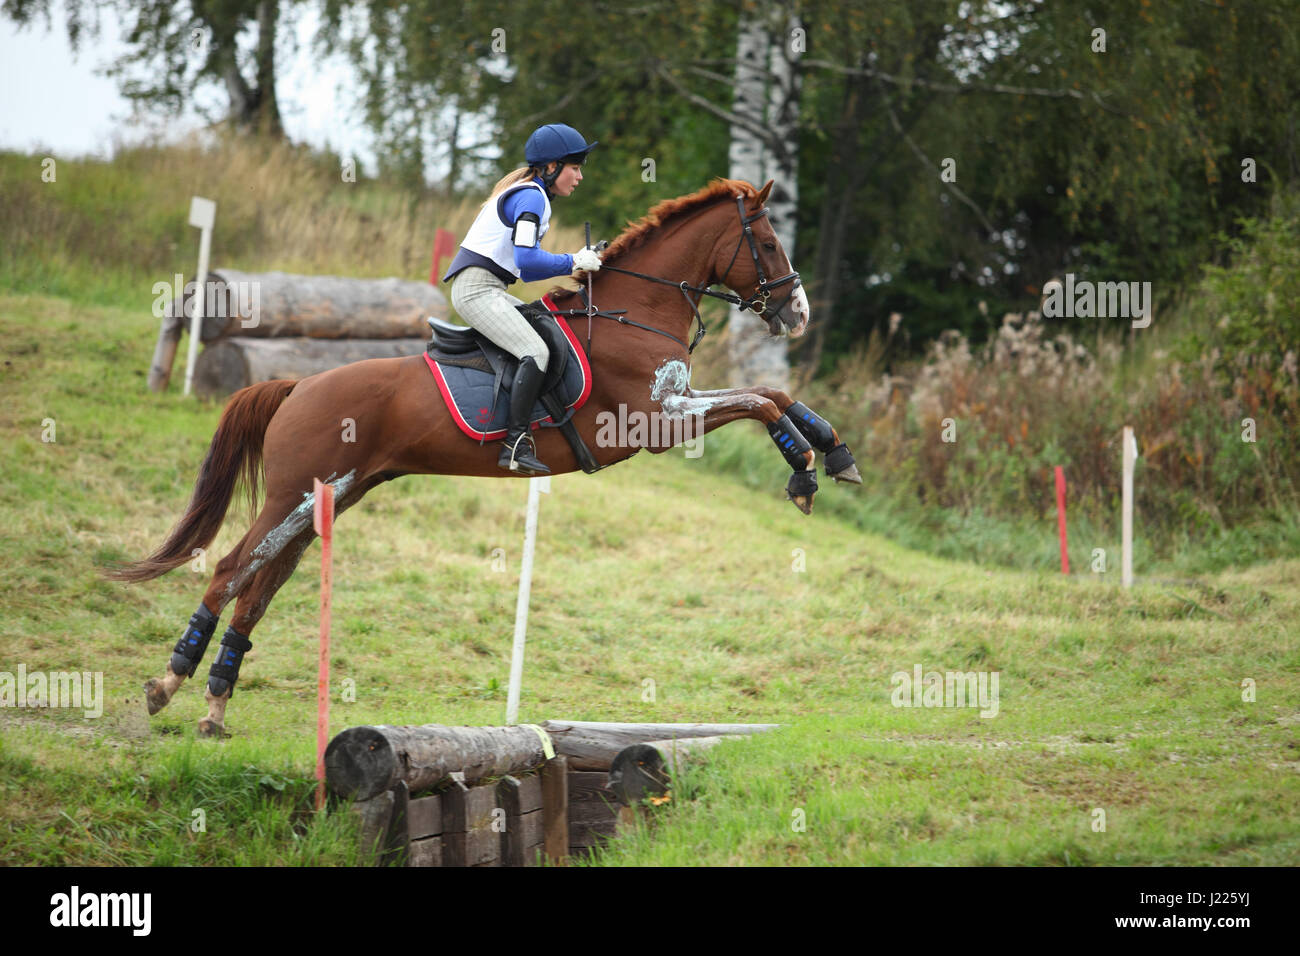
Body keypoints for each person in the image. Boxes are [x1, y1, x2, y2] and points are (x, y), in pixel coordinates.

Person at [442, 123, 603, 476]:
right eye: (574, 168)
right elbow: (529, 262)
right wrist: (573, 260)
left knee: (549, 332)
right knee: (537, 351)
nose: (579, 177)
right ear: (551, 168)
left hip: (489, 288)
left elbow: (526, 271)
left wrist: (574, 260)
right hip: (476, 290)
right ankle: (514, 444)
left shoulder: (532, 195)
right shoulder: (532, 197)